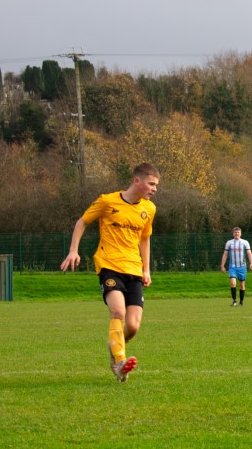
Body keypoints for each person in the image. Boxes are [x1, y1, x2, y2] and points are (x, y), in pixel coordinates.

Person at [60, 163, 160, 383]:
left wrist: (146, 268)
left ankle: (114, 345)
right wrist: (73, 251)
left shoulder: (149, 209)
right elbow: (82, 222)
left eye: (156, 185)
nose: (154, 189)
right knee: (118, 313)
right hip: (109, 266)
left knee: (132, 326)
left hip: (133, 269)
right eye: (151, 184)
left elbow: (145, 238)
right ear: (137, 181)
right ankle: (120, 361)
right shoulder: (107, 201)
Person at [221, 227, 252, 306]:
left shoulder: (245, 242)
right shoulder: (229, 243)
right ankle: (234, 301)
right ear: (233, 234)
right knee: (233, 283)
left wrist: (251, 263)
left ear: (240, 233)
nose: (237, 234)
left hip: (242, 267)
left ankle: (241, 301)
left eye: (238, 232)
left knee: (242, 285)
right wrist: (222, 265)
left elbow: (249, 253)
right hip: (232, 267)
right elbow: (225, 254)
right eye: (235, 232)